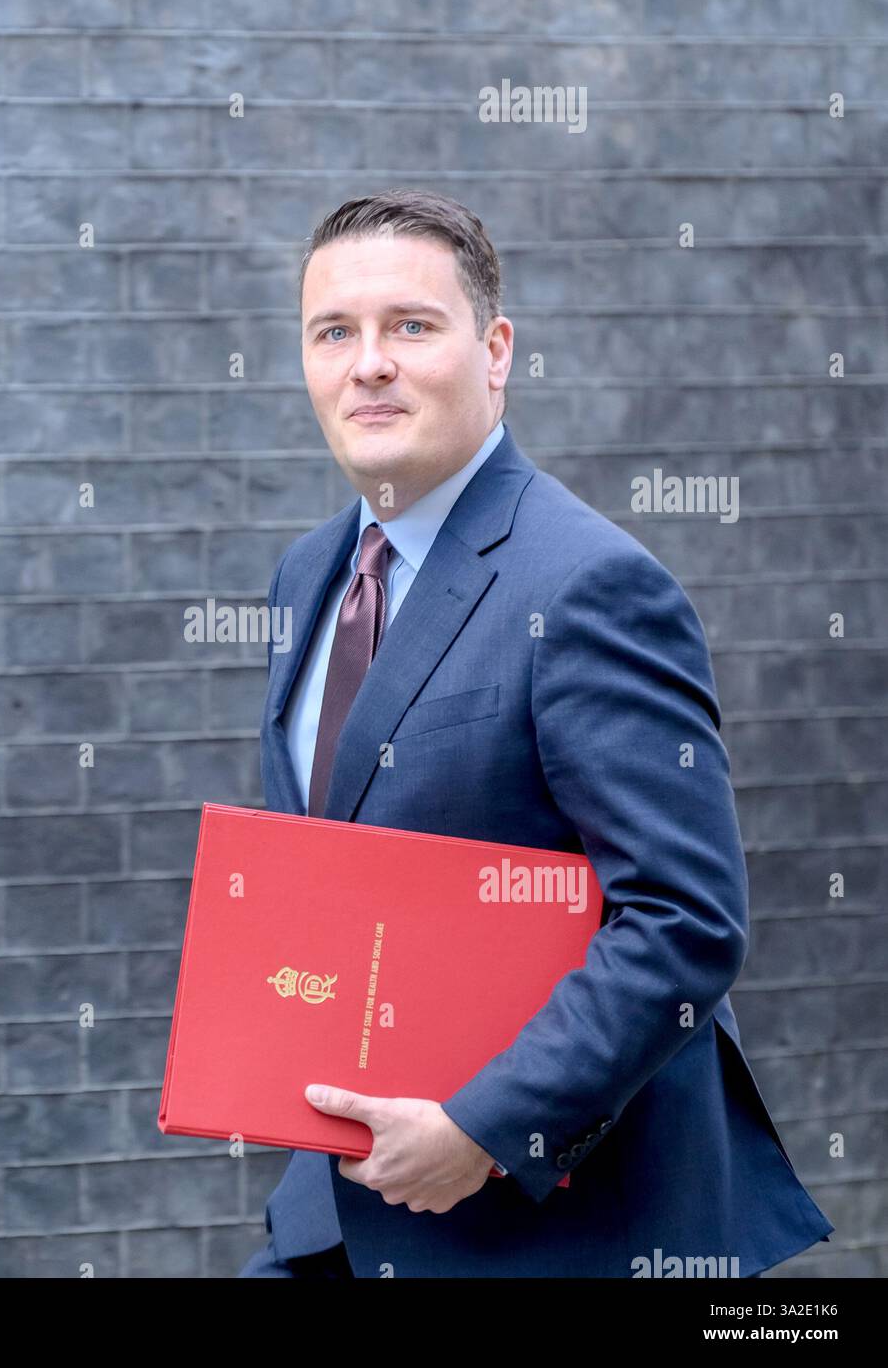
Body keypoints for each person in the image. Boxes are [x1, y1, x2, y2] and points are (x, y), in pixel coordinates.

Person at [239, 189, 833, 1278]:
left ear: (496, 349)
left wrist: (481, 1127)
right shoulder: (306, 575)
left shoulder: (591, 584)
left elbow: (684, 922)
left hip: (550, 1226)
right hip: (338, 1209)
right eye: (335, 332)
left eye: (410, 325)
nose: (368, 362)